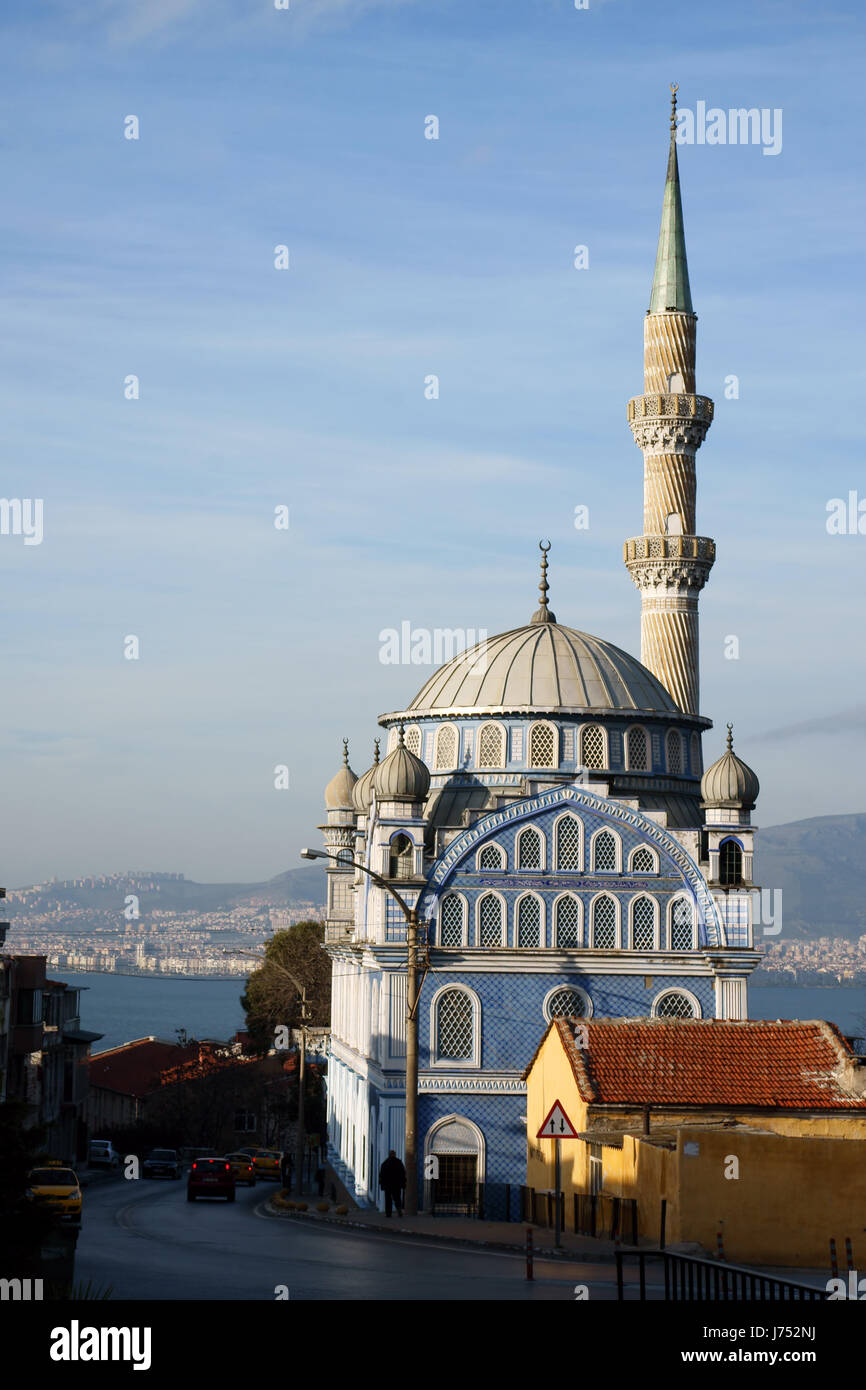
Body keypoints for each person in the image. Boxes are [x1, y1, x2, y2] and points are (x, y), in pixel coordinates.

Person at [378, 1150, 406, 1218]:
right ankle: (399, 1211)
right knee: (397, 1198)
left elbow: (381, 1175)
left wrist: (382, 1184)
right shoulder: (398, 1162)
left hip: (388, 1185)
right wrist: (403, 1183)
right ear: (394, 1154)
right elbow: (403, 1173)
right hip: (396, 1185)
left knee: (388, 1199)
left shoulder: (385, 1163)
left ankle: (388, 1213)